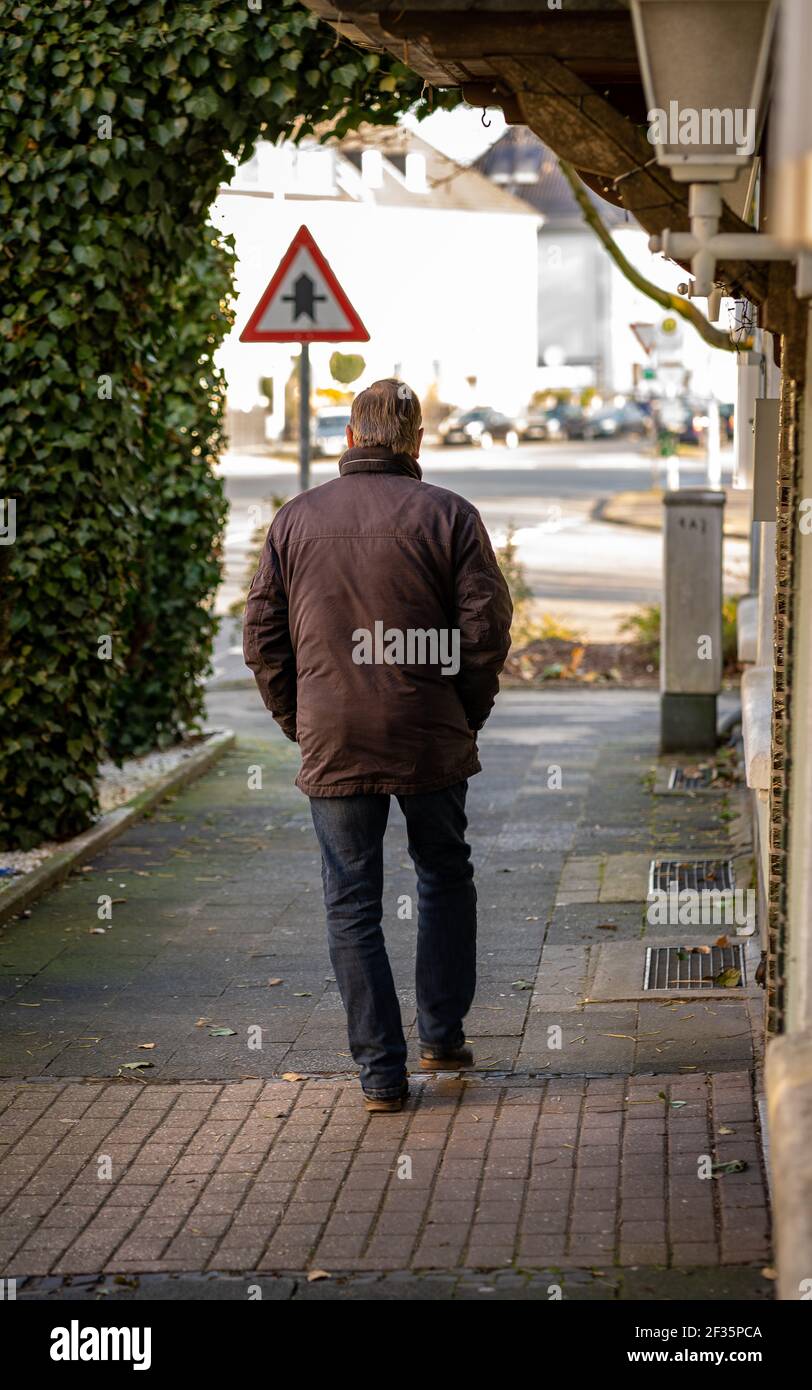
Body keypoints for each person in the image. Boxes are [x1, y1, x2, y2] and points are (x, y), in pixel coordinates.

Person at [244, 378, 512, 1112]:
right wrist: (462, 716)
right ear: (415, 441)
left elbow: (262, 640)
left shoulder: (294, 521)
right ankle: (442, 1035)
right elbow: (484, 636)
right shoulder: (451, 516)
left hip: (335, 735)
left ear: (352, 438)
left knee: (351, 903)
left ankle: (381, 1076)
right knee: (444, 875)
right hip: (428, 731)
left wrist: (303, 722)